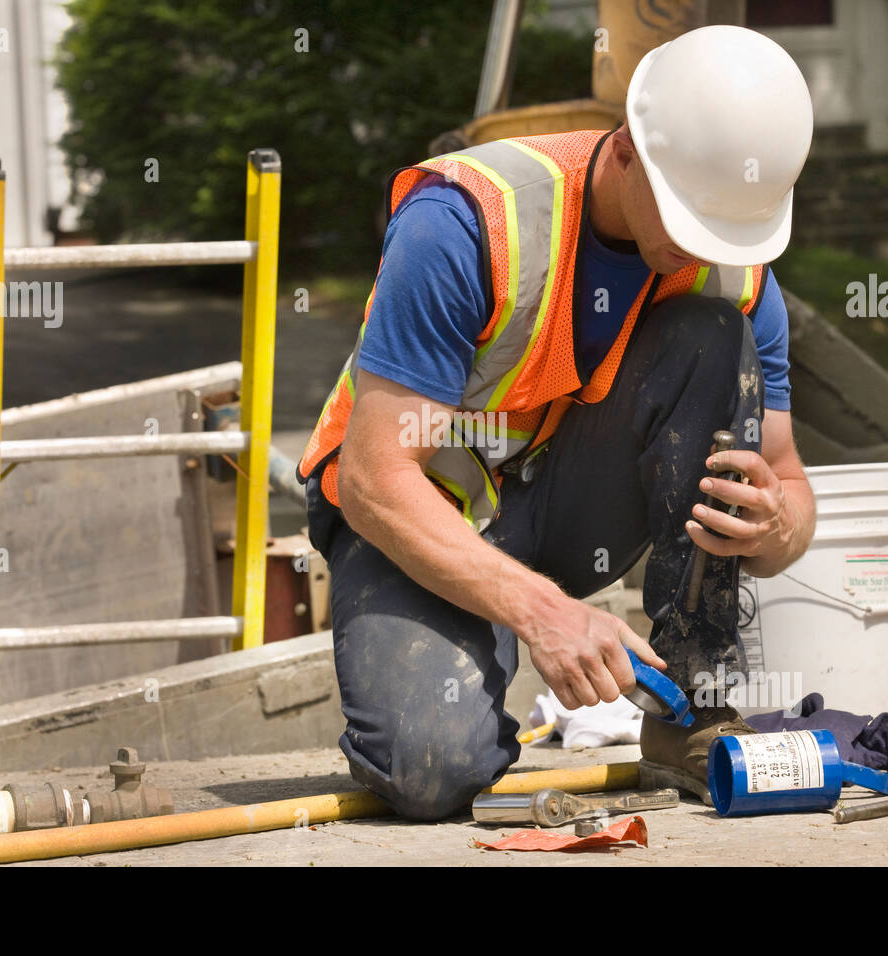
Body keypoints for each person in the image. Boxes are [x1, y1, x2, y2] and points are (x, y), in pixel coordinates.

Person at [297, 25, 817, 817]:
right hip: (419, 520)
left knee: (715, 336)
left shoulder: (731, 273)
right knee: (432, 769)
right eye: (689, 219)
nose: (700, 251)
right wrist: (540, 613)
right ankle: (478, 658)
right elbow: (373, 480)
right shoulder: (466, 223)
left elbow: (788, 480)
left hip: (570, 511)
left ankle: (692, 707)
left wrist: (777, 527)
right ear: (630, 149)